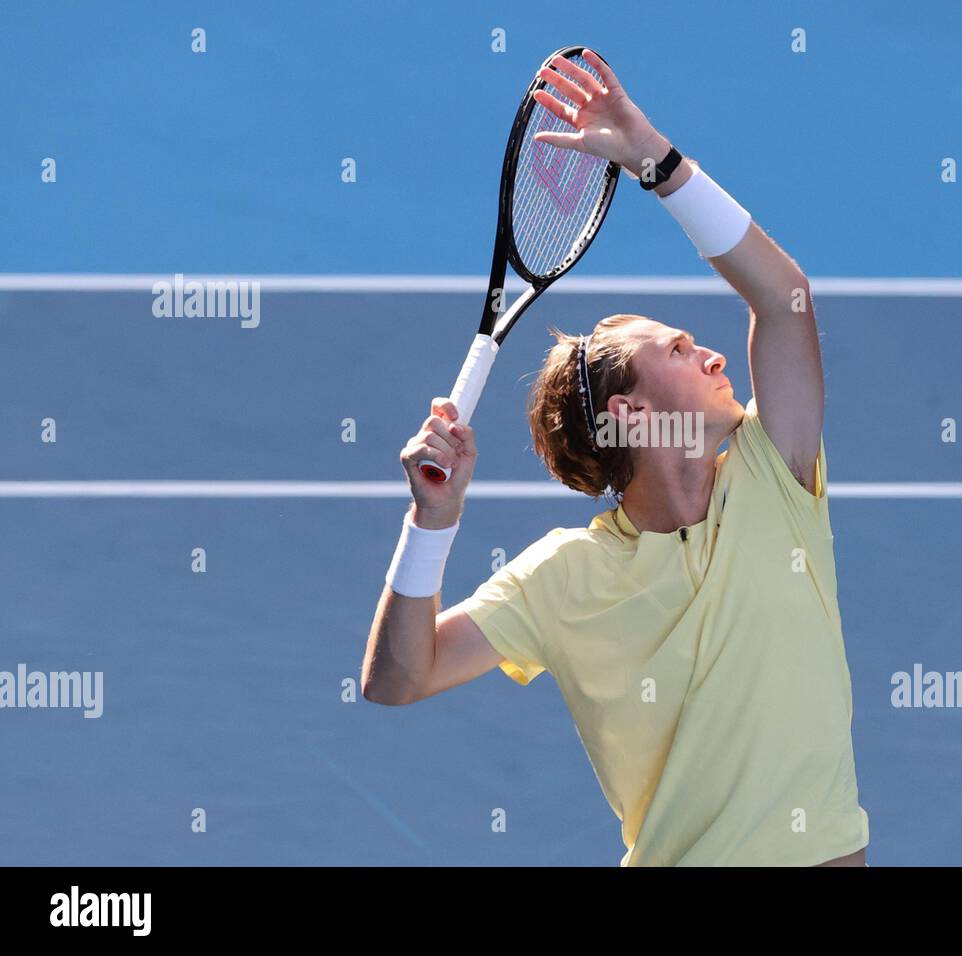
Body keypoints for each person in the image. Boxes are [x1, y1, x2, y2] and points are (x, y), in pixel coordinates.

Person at [361, 49, 869, 867]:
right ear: (632, 415)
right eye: (679, 348)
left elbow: (785, 297)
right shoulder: (562, 577)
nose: (712, 356)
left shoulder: (775, 473)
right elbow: (395, 679)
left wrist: (658, 166)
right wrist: (434, 522)